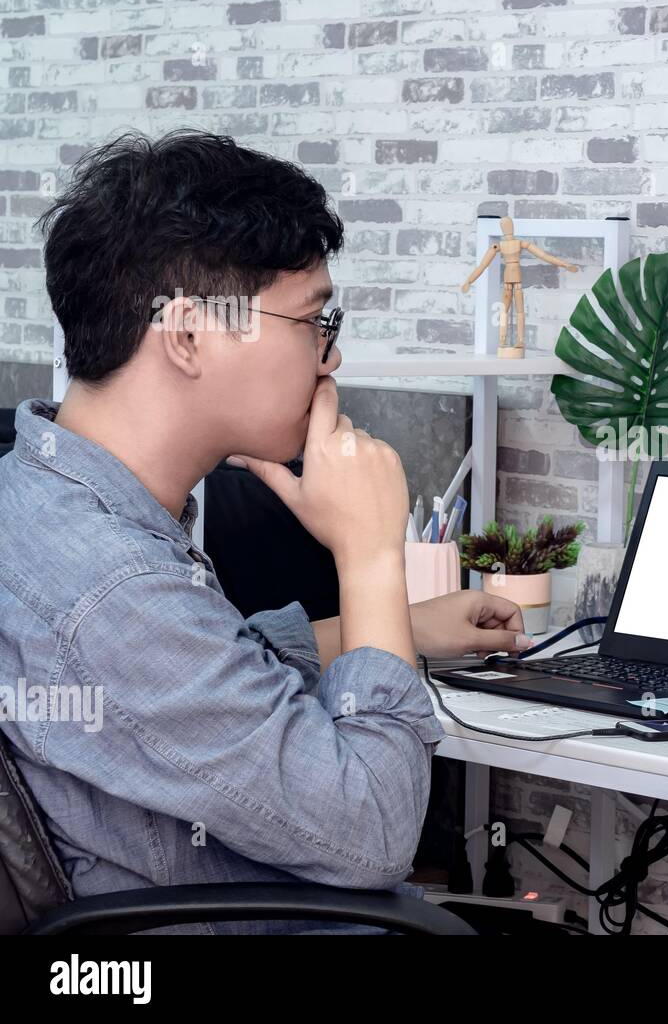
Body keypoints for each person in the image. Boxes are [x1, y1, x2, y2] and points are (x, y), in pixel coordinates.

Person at [0, 129, 531, 933]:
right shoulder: (117, 587)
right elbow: (375, 832)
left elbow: (178, 685)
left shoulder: (44, 501)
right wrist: (370, 555)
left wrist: (389, 628)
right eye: (313, 320)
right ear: (186, 335)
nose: (333, 355)